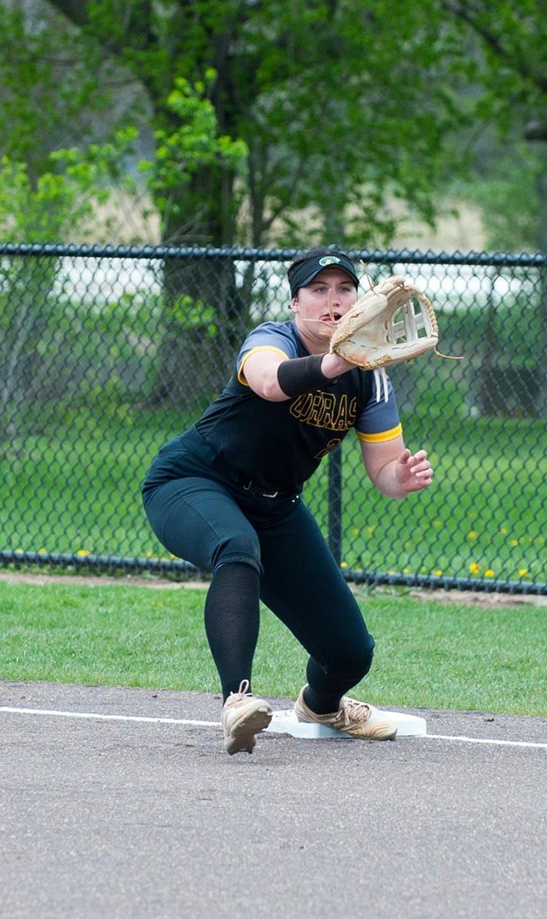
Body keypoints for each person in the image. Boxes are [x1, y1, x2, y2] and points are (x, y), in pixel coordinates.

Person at [141, 248, 434, 755]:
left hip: (276, 507)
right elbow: (271, 382)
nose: (333, 302)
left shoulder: (370, 376)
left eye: (344, 290)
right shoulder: (273, 337)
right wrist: (336, 360)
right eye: (319, 290)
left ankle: (322, 706)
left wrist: (400, 477)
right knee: (235, 547)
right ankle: (237, 702)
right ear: (296, 301)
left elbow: (384, 468)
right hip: (193, 480)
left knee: (349, 653)